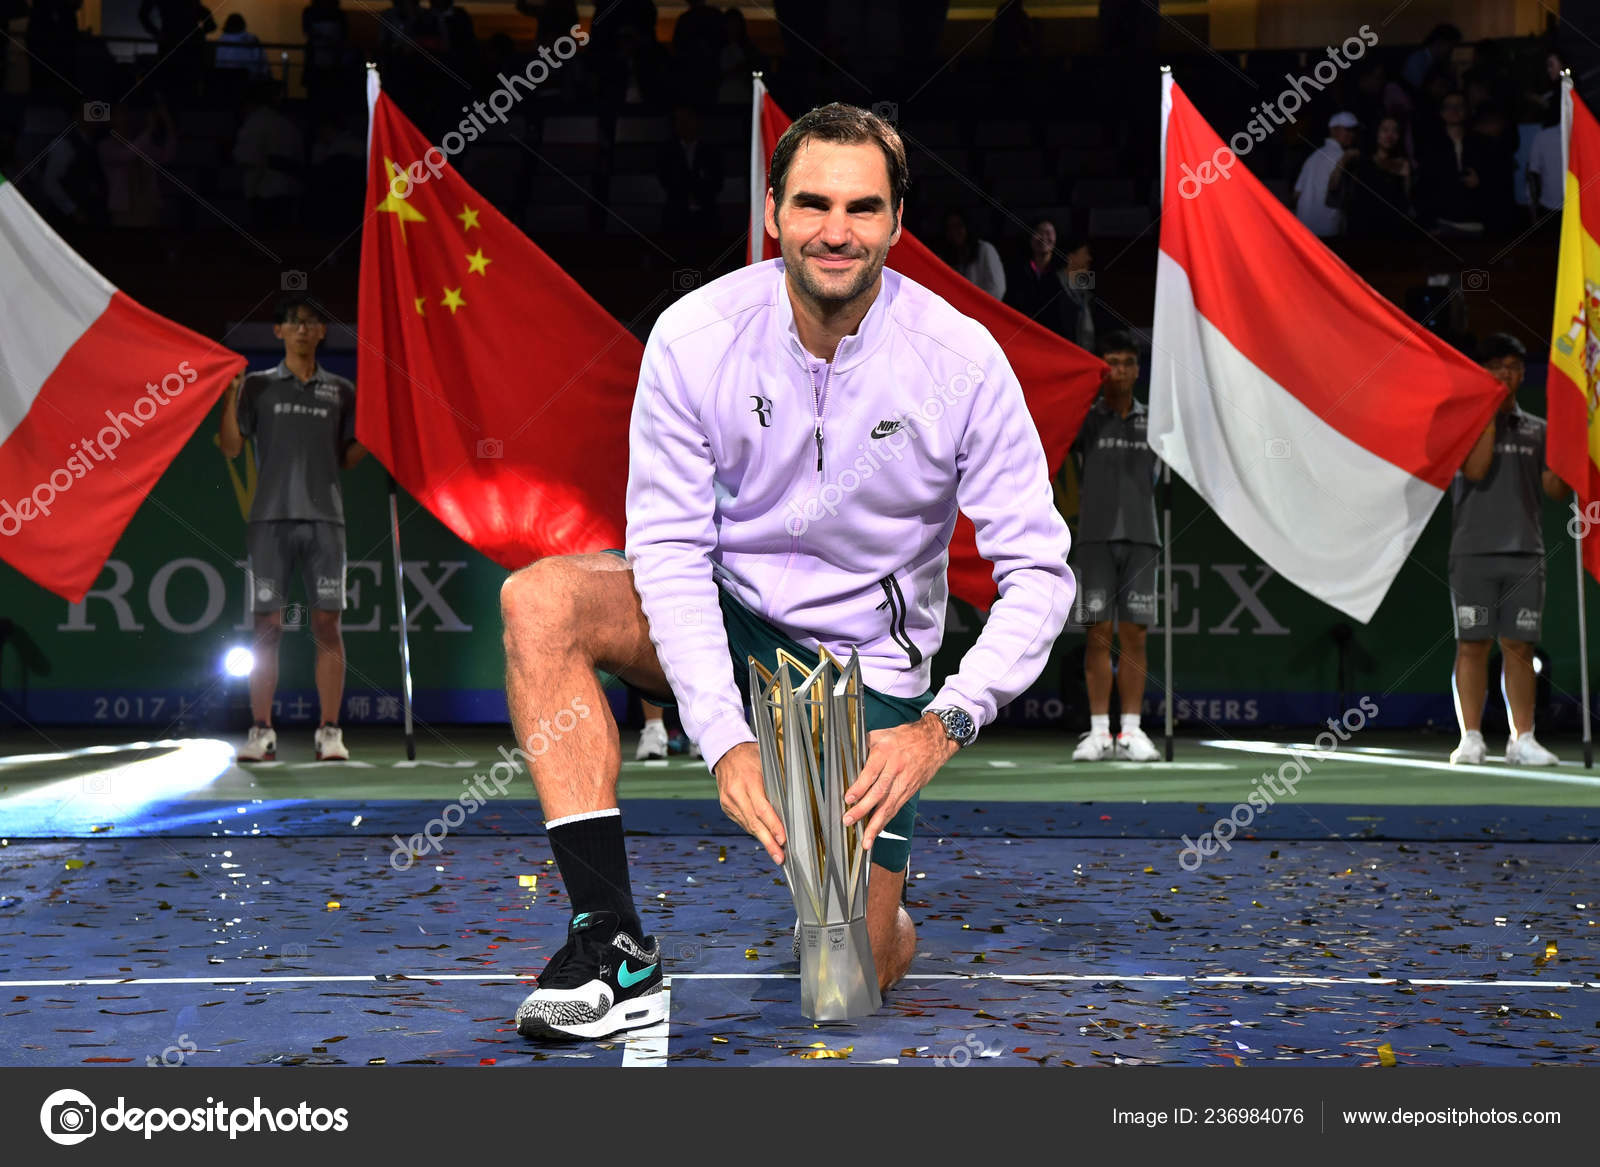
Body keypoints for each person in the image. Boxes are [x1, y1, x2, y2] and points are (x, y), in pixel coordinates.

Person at [500, 102, 1072, 1040]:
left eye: (861, 208)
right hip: (730, 617)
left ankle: (874, 906)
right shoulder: (693, 337)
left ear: (896, 222)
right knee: (543, 599)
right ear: (772, 212)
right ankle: (611, 943)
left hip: (861, 674)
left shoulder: (962, 359)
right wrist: (726, 737)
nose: (835, 231)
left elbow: (1041, 571)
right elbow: (672, 555)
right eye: (812, 203)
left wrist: (940, 726)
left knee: (844, 981)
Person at [219, 297, 366, 763]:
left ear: (322, 332)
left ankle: (329, 731)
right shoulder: (257, 387)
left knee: (327, 623)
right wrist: (228, 395)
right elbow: (231, 446)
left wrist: (378, 433)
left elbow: (346, 457)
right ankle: (261, 731)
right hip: (269, 521)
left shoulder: (341, 390)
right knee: (267, 626)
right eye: (293, 323)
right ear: (279, 332)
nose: (303, 330)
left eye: (311, 323)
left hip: (327, 521)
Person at [1448, 333, 1569, 767]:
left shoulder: (1538, 429)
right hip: (1473, 554)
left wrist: (1571, 446)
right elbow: (1476, 470)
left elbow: (1556, 489)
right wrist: (1487, 413)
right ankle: (1472, 738)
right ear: (1480, 371)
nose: (1506, 373)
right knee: (1473, 644)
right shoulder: (1462, 423)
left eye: (1514, 366)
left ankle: (1523, 739)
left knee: (1520, 647)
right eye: (1496, 365)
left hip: (1524, 554)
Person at [1067, 331, 1160, 762]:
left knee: (1134, 636)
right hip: (1093, 542)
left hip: (1143, 539)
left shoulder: (1156, 422)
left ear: (1138, 371)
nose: (1119, 371)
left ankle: (1133, 732)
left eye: (1126, 363)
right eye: (1111, 363)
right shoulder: (1086, 419)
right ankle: (1099, 732)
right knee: (1097, 634)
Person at [1331, 115, 1413, 237]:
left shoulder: (1402, 165)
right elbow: (1334, 189)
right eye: (1385, 130)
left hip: (1391, 232)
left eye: (1395, 131)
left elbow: (1406, 202)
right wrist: (1342, 161)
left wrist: (1405, 176)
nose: (1390, 135)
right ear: (1376, 133)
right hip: (1362, 230)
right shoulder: (1359, 159)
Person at [655, 104, 722, 232]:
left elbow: (717, 182)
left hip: (706, 213)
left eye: (688, 119)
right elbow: (667, 180)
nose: (684, 124)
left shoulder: (712, 151)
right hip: (676, 213)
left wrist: (697, 193)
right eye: (679, 120)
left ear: (697, 121)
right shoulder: (666, 151)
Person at [1293, 111, 1360, 238]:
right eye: (1347, 130)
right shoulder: (1345, 158)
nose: (1352, 134)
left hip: (1303, 229)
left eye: (1354, 130)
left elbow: (1296, 194)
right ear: (1333, 130)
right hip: (1328, 230)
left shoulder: (1312, 157)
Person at [936, 209, 1005, 300]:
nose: (954, 232)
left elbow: (997, 289)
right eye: (949, 228)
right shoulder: (945, 257)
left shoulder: (984, 249)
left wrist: (971, 304)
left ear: (967, 227)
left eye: (958, 226)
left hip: (981, 310)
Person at [1004, 217, 1061, 326]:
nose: (1044, 237)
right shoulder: (1017, 270)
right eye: (1038, 232)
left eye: (1049, 233)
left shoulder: (1065, 270)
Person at [215, 13, 268, 77]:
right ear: (242, 25)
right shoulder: (252, 39)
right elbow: (261, 60)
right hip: (248, 78)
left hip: (225, 78)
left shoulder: (221, 40)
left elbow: (218, 63)